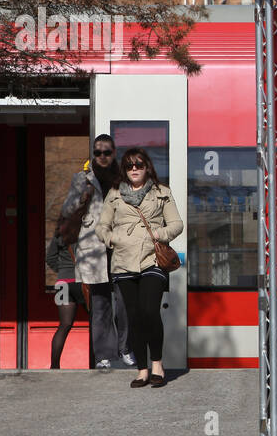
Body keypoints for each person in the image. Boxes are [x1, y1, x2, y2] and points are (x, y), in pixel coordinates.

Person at [97, 147, 183, 388]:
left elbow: (177, 224)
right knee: (133, 317)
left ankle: (157, 364)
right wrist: (111, 239)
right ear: (124, 170)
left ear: (147, 168)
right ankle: (142, 369)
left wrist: (157, 233)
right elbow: (101, 225)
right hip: (123, 261)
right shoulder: (114, 194)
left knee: (149, 311)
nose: (134, 169)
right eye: (129, 166)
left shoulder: (161, 192)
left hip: (151, 258)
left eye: (139, 165)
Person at [60, 134, 133, 369]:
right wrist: (81, 199)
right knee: (100, 304)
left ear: (113, 153)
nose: (102, 156)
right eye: (98, 152)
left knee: (124, 302)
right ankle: (104, 354)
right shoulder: (81, 178)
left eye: (106, 152)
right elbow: (67, 209)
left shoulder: (123, 179)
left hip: (119, 245)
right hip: (94, 249)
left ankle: (125, 348)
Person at [45, 229, 84, 369]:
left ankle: (54, 365)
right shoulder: (87, 231)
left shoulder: (60, 233)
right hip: (83, 281)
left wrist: (62, 271)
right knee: (96, 321)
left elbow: (50, 258)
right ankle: (101, 361)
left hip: (62, 282)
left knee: (64, 325)